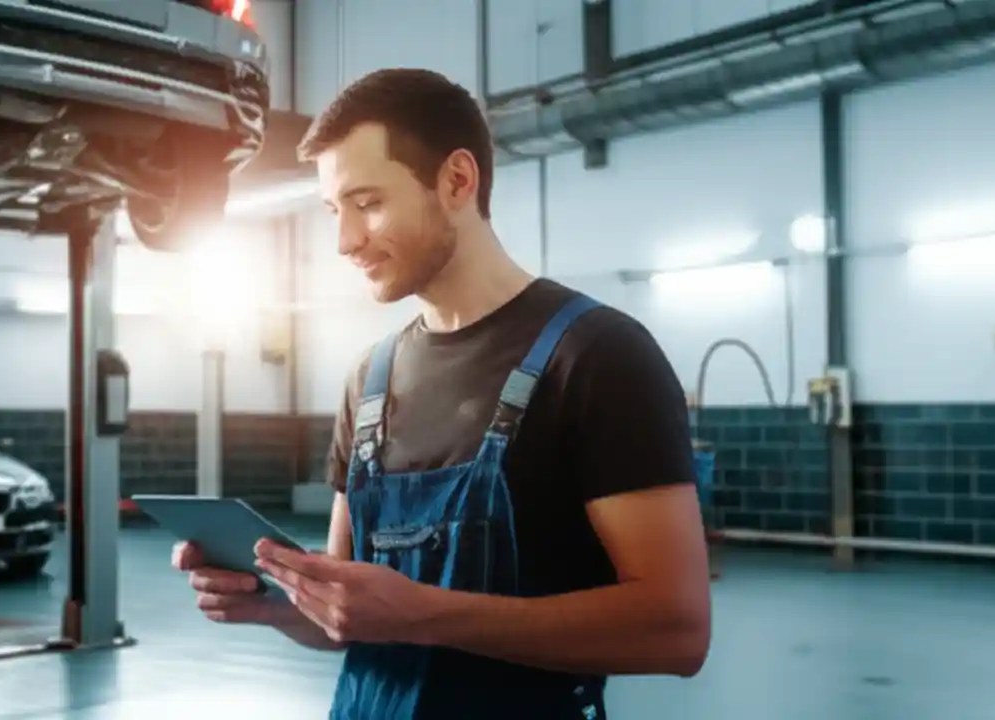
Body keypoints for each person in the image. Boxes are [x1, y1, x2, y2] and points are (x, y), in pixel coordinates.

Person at [172, 67, 711, 719]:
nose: (345, 241)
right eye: (334, 211)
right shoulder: (369, 379)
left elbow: (677, 629)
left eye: (368, 203)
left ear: (457, 180)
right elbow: (350, 621)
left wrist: (424, 615)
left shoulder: (599, 357)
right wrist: (277, 604)